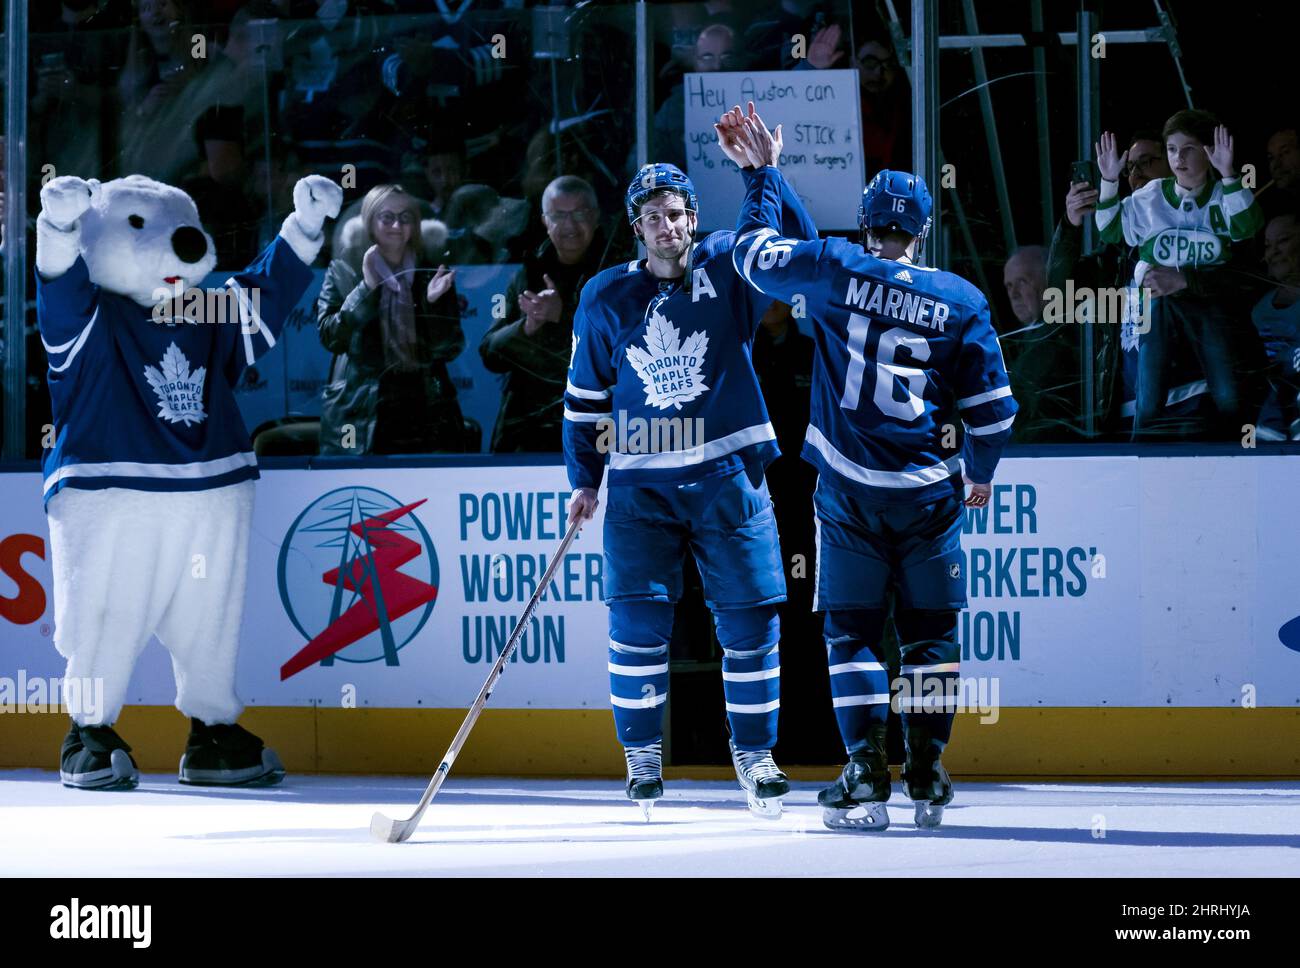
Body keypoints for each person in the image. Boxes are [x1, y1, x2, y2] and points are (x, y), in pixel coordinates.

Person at [728, 107, 1017, 831]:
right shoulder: (960, 297)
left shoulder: (834, 267)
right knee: (930, 636)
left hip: (849, 493)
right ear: (922, 230)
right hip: (928, 493)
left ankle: (864, 776)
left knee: (852, 631)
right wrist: (979, 471)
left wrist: (761, 176)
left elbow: (753, 252)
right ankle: (927, 773)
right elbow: (996, 412)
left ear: (862, 226)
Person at [563, 106, 817, 820]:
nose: (667, 227)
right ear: (637, 227)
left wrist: (763, 174)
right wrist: (585, 477)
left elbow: (802, 247)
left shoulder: (728, 263)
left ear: (692, 217)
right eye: (653, 218)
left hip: (728, 479)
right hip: (643, 485)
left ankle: (755, 755)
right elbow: (584, 401)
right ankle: (642, 758)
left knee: (750, 619)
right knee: (637, 625)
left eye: (677, 214)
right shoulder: (605, 295)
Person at [1095, 111, 1267, 438]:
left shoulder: (1220, 195)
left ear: (1207, 151)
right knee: (1150, 388)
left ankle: (1235, 443)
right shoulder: (1151, 196)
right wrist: (1107, 183)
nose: (1179, 158)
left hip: (1206, 304)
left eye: (1188, 149)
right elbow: (1112, 231)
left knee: (1228, 394)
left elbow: (1246, 228)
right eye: (1172, 149)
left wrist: (1229, 174)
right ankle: (1141, 439)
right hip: (1159, 304)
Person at [316, 184, 467, 455]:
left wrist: (432, 306)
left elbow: (451, 348)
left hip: (426, 415)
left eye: (405, 217)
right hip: (363, 415)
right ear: (370, 222)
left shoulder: (431, 271)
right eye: (387, 217)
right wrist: (366, 288)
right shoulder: (343, 268)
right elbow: (331, 337)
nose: (397, 225)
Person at [479, 176, 609, 452]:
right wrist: (528, 325)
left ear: (596, 217)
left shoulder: (619, 270)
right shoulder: (524, 275)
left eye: (580, 214)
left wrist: (563, 316)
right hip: (525, 430)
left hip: (594, 427)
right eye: (559, 215)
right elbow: (489, 352)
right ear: (544, 222)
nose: (570, 225)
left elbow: (622, 352)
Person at [999, 245, 1079, 441]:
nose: (1014, 294)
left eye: (1022, 282)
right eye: (1009, 286)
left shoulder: (1056, 338)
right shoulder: (1031, 338)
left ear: (1049, 282)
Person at [1251, 212, 1300, 439]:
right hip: (1273, 417)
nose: (1273, 253)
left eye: (1283, 241)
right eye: (1268, 245)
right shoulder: (1259, 309)